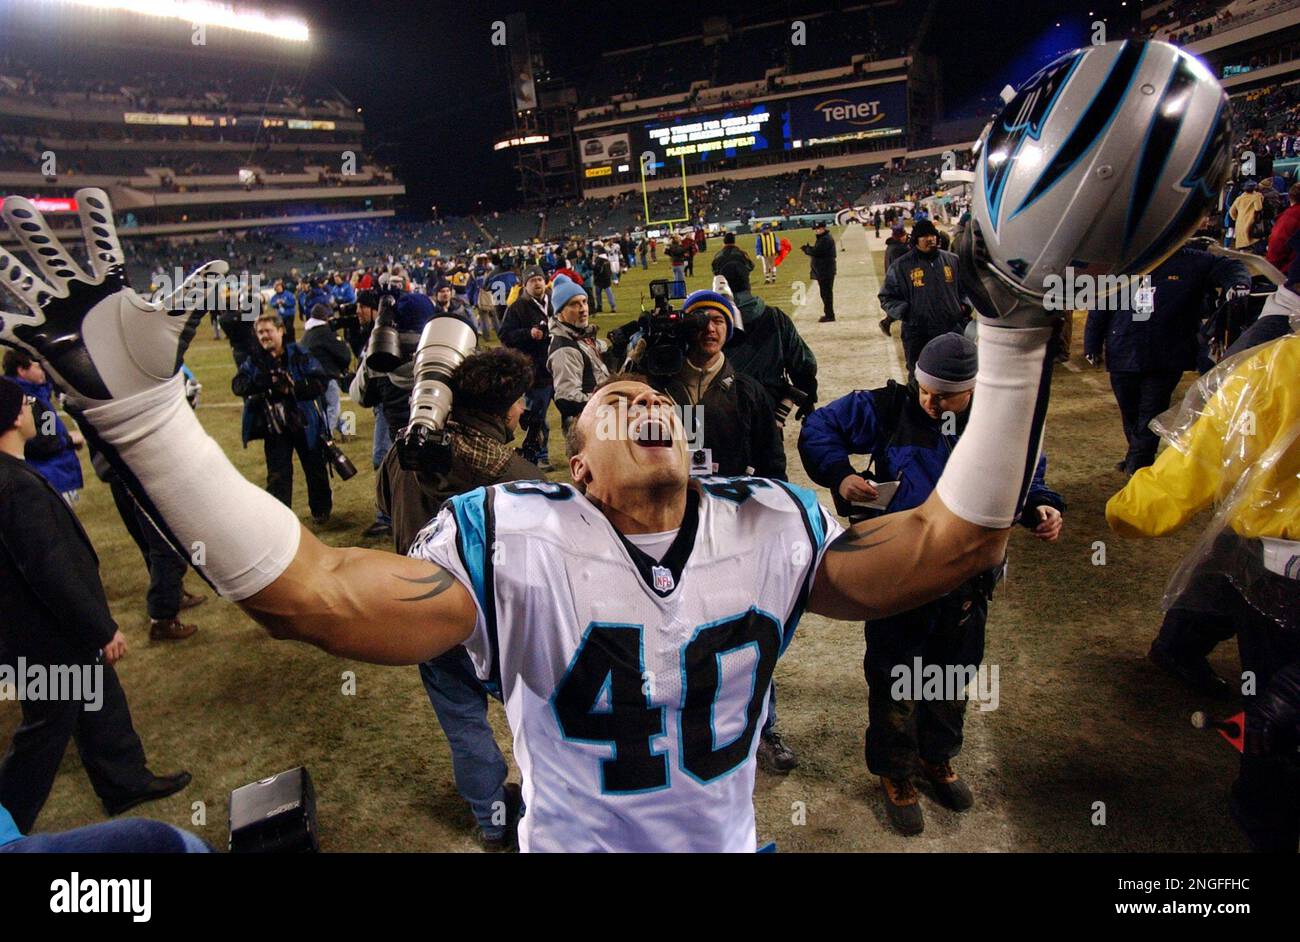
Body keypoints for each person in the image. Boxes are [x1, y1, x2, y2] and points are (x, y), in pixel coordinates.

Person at [0, 90, 1163, 851]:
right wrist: (148, 417)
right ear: (573, 466)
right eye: (610, 401)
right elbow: (309, 595)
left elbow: (957, 543)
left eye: (648, 393)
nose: (638, 397)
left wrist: (1013, 341)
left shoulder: (768, 518)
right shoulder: (513, 537)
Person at [799, 335, 1065, 834]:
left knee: (952, 674)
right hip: (899, 574)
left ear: (972, 389)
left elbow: (1027, 475)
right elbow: (819, 426)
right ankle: (894, 771)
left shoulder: (996, 423)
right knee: (896, 675)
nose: (929, 401)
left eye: (944, 395)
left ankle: (936, 757)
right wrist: (839, 475)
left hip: (967, 580)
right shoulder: (888, 406)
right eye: (924, 388)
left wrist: (1042, 506)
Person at [1107, 328, 1300, 851]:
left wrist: (1128, 512)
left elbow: (1196, 461)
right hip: (1273, 569)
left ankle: (1266, 819)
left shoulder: (1271, 367)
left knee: (1273, 713)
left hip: (1279, 572)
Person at [0, 377, 191, 833]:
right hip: (43, 634)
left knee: (98, 695)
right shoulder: (15, 487)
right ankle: (6, 820)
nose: (32, 409)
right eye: (25, 404)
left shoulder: (11, 474)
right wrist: (100, 628)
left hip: (40, 630)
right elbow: (50, 571)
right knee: (46, 728)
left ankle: (124, 781)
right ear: (12, 418)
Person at [377, 349, 540, 850]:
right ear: (502, 406)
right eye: (519, 402)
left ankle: (492, 822)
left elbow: (385, 510)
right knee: (533, 722)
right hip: (500, 626)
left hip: (423, 614)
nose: (523, 410)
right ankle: (543, 808)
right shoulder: (515, 473)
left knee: (461, 720)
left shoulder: (403, 451)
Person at [1084, 245, 1250, 475]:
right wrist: (1092, 343)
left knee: (1151, 410)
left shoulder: (1191, 260)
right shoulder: (1121, 260)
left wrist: (1238, 283)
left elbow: (1230, 265)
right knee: (1129, 409)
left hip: (1167, 352)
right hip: (1124, 348)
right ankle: (1136, 454)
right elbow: (1100, 305)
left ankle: (1139, 462)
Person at [232, 312, 334, 524]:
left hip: (305, 422)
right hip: (275, 426)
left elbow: (320, 381)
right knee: (278, 474)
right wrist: (265, 382)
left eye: (268, 331)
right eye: (260, 332)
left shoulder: (299, 353)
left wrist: (293, 388)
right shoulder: (254, 361)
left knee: (315, 468)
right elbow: (238, 385)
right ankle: (280, 519)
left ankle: (321, 511)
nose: (264, 336)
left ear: (281, 330)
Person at [716, 259, 819, 418]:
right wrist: (808, 396)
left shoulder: (710, 325)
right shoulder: (776, 318)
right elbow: (803, 363)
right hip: (769, 408)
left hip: (723, 410)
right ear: (748, 284)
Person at [878, 219, 968, 377]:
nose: (930, 239)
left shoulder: (952, 260)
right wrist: (905, 311)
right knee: (919, 378)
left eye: (932, 235)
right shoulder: (901, 266)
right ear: (916, 240)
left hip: (951, 329)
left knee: (954, 376)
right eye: (924, 236)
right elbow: (886, 296)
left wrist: (965, 306)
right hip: (918, 334)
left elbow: (967, 289)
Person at [2, 348, 83, 504]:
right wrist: (69, 440)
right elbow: (46, 441)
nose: (42, 370)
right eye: (37, 366)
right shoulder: (30, 400)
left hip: (41, 477)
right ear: (22, 370)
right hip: (51, 477)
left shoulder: (21, 395)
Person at [499, 266, 554, 470]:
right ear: (525, 284)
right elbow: (504, 336)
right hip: (537, 372)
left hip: (560, 367)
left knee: (572, 415)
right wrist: (527, 334)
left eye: (540, 279)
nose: (538, 283)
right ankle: (540, 454)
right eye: (532, 281)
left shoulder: (554, 302)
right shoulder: (517, 308)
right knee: (538, 417)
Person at [547, 274, 610, 434]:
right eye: (574, 304)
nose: (583, 309)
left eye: (584, 302)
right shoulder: (565, 349)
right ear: (560, 313)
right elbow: (567, 400)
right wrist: (608, 400)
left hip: (599, 421)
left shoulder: (581, 335)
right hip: (587, 428)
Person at [300, 303, 354, 442]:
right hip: (327, 376)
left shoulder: (306, 335)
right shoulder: (325, 332)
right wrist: (343, 368)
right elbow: (343, 354)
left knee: (325, 408)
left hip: (311, 379)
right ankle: (326, 437)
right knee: (332, 407)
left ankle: (345, 429)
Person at [801, 221, 837, 323]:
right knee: (825, 293)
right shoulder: (824, 238)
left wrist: (807, 250)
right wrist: (810, 249)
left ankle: (829, 315)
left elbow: (817, 252)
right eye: (816, 229)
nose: (817, 231)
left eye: (818, 229)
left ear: (823, 228)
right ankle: (829, 314)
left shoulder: (825, 239)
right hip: (824, 270)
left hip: (825, 270)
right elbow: (818, 250)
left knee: (826, 293)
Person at [1266, 182, 1300, 273]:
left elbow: (1277, 242)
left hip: (1290, 271)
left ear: (1290, 197)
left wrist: (1271, 269)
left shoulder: (1291, 216)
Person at [1228, 180, 1264, 251]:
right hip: (1250, 222)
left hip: (1240, 222)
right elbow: (1258, 208)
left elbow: (1231, 211)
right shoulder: (1255, 197)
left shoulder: (1239, 198)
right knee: (1251, 243)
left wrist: (1235, 218)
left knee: (1242, 246)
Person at [591, 244, 615, 313]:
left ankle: (599, 307)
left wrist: (593, 263)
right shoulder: (606, 259)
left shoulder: (598, 260)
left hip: (599, 280)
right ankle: (613, 306)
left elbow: (596, 269)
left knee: (598, 294)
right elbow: (610, 270)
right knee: (609, 294)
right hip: (607, 279)